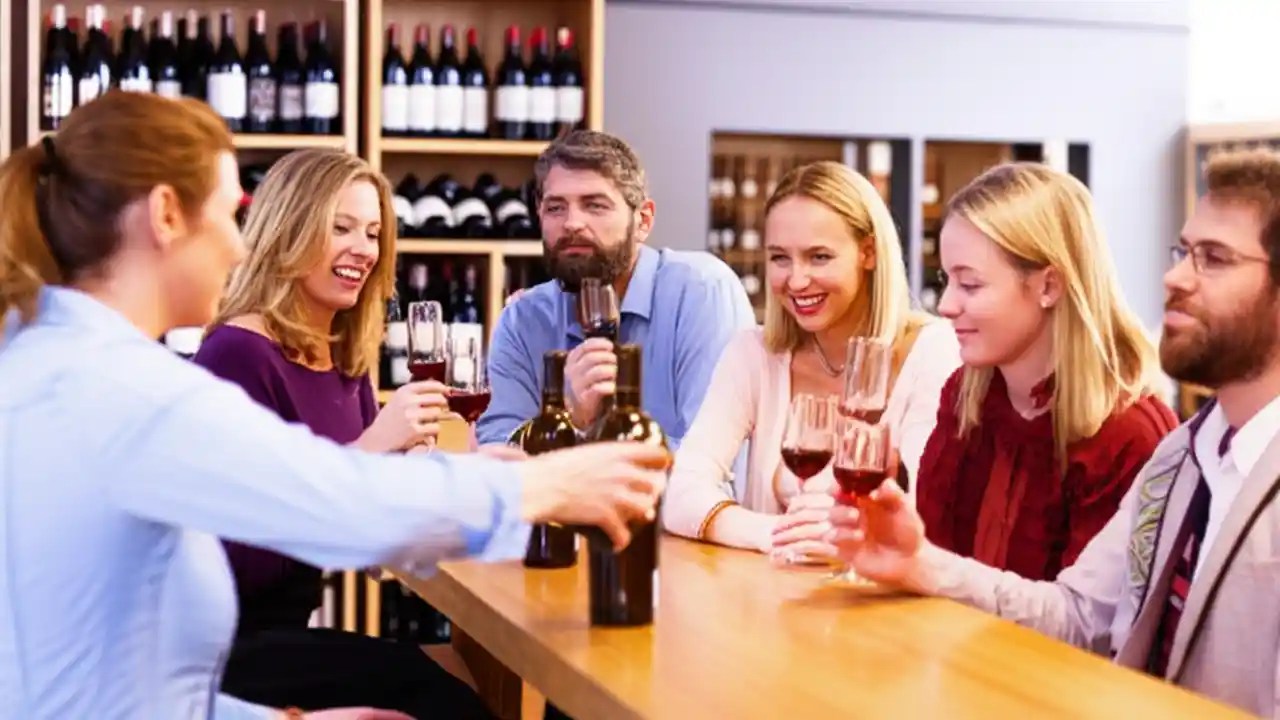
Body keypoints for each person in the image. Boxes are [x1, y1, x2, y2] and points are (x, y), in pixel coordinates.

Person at [0, 91, 668, 719]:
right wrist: (548, 482)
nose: (241, 244)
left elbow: (103, 678)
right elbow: (343, 501)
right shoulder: (123, 391)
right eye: (232, 213)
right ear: (167, 215)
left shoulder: (54, 362)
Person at [825, 148, 1280, 717]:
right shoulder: (1182, 458)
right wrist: (919, 563)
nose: (1174, 276)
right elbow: (1082, 617)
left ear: (1049, 285)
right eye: (1182, 252)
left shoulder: (1142, 436)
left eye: (1213, 258)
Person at [192, 148, 484, 717]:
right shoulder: (238, 352)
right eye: (341, 227)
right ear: (289, 229)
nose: (364, 250)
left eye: (374, 232)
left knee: (450, 686)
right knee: (441, 698)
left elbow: (357, 532)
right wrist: (371, 453)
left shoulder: (342, 358)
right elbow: (234, 550)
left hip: (282, 634)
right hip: (223, 648)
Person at [781, 162, 1176, 581]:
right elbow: (932, 557)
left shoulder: (1130, 435)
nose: (947, 305)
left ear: (1048, 286)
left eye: (970, 285)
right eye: (946, 279)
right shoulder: (967, 395)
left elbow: (1086, 629)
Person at [662, 161, 961, 556]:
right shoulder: (754, 354)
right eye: (780, 258)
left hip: (893, 606)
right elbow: (681, 492)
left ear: (868, 253)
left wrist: (852, 535)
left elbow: (932, 510)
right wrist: (777, 534)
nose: (797, 280)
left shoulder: (932, 351)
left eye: (819, 257)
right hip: (778, 601)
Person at [475, 130, 756, 451]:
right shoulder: (522, 321)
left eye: (594, 205)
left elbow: (711, 464)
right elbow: (497, 459)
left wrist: (580, 440)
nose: (572, 223)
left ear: (643, 221)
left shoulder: (702, 292)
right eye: (556, 208)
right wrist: (568, 419)